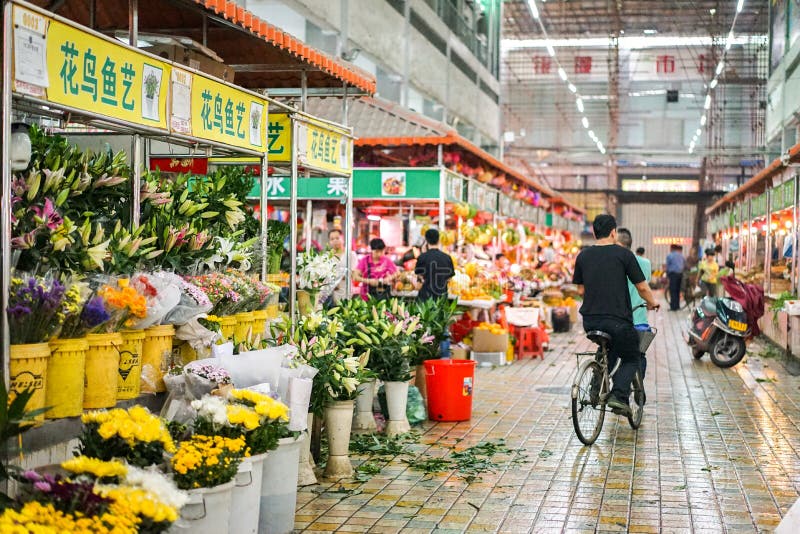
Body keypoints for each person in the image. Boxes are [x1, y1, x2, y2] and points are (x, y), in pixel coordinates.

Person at [573, 215, 659, 416]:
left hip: (590, 321)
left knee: (609, 348)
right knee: (632, 357)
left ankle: (596, 384)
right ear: (613, 232)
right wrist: (653, 302)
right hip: (618, 321)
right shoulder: (624, 255)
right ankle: (618, 396)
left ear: (594, 232)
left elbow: (580, 291)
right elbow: (642, 287)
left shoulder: (583, 256)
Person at [618, 228, 652, 379]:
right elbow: (645, 287)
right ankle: (640, 388)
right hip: (639, 318)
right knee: (639, 355)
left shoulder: (615, 262)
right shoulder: (645, 263)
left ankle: (597, 384)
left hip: (618, 320)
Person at [415, 228, 455, 300]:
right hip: (441, 297)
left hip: (425, 298)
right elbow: (449, 278)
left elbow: (419, 279)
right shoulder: (447, 258)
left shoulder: (422, 257)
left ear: (426, 241)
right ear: (439, 240)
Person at [322, 229, 357, 304]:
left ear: (343, 238)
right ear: (329, 241)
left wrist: (337, 279)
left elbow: (353, 273)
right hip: (328, 292)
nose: (335, 241)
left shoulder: (351, 254)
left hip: (345, 291)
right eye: (332, 239)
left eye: (337, 238)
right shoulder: (326, 256)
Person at [666, 244, 686, 311]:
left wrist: (667, 275)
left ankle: (673, 307)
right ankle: (677, 306)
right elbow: (684, 264)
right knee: (677, 290)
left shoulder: (670, 255)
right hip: (680, 275)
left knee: (673, 291)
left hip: (673, 275)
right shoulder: (681, 255)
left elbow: (668, 266)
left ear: (672, 248)